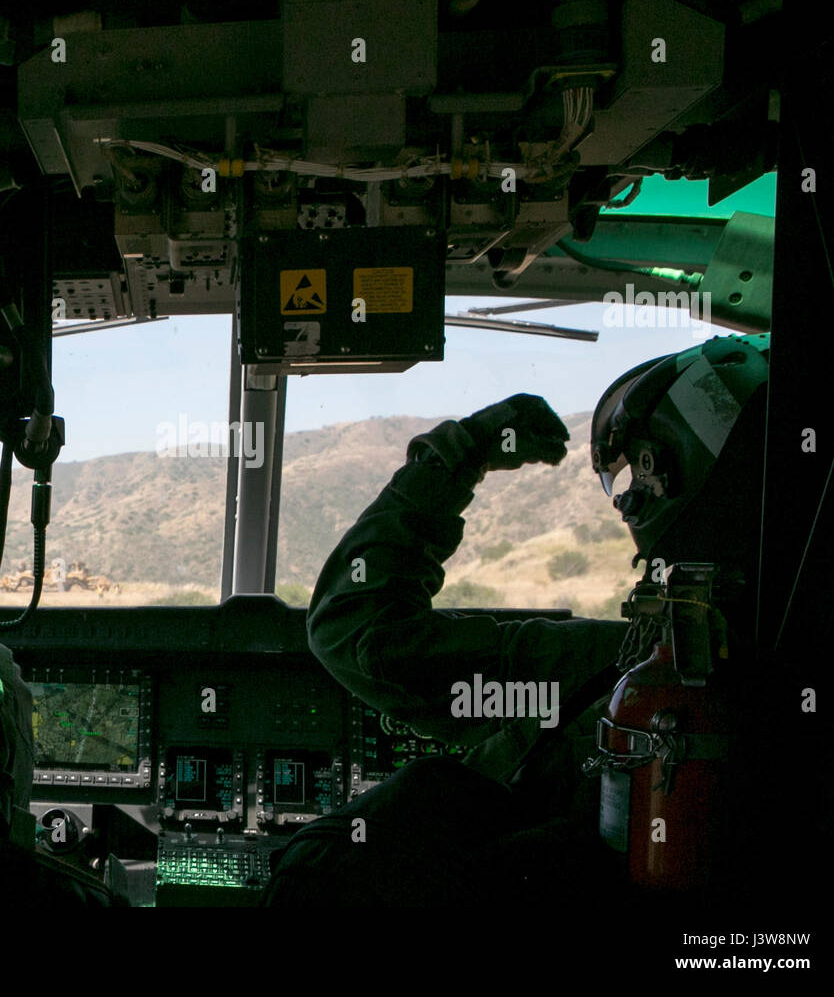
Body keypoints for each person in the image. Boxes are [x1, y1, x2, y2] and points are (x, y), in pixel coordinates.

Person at [261, 332, 773, 908]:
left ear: (671, 473)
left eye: (634, 480)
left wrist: (462, 452)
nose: (627, 505)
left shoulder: (610, 672)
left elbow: (358, 631)